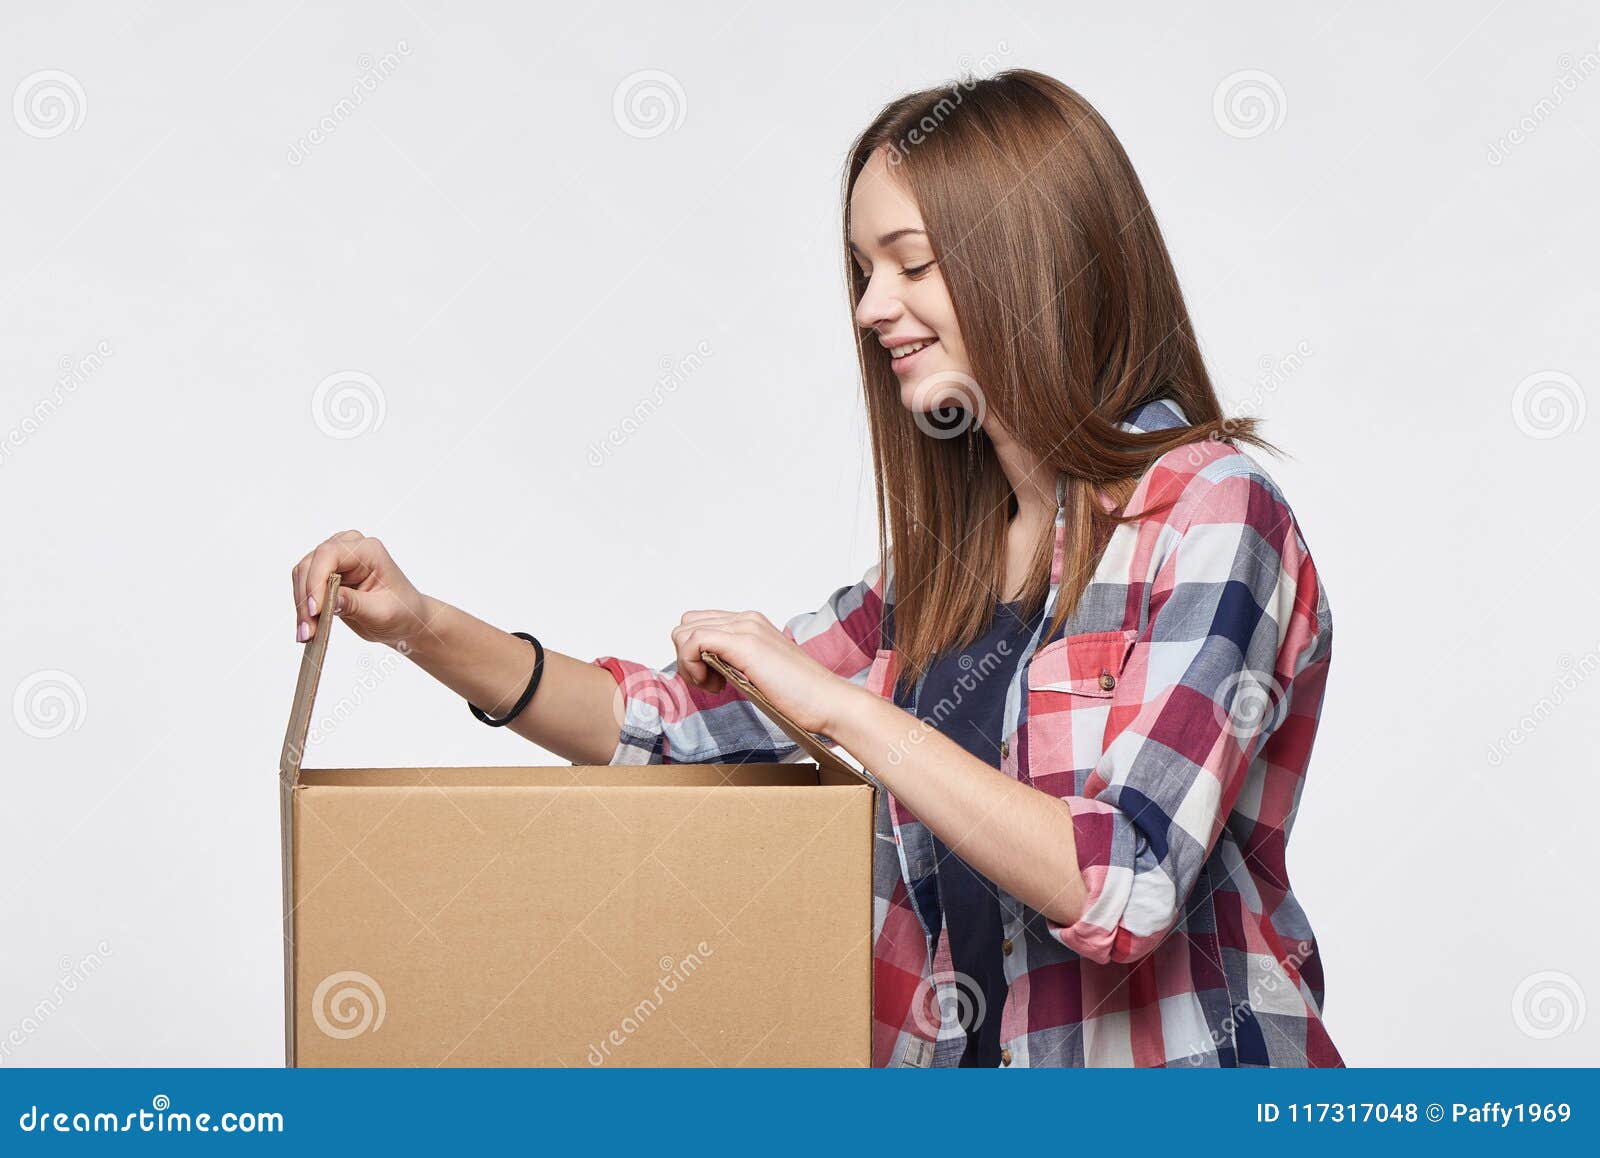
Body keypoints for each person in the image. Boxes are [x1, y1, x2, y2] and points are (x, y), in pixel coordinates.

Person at [290, 69, 1341, 1068]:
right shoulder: (948, 569)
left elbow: (1123, 882)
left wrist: (838, 708)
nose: (869, 306)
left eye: (910, 263)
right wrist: (421, 626)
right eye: (861, 270)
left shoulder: (1207, 511)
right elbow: (663, 729)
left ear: (1026, 258)